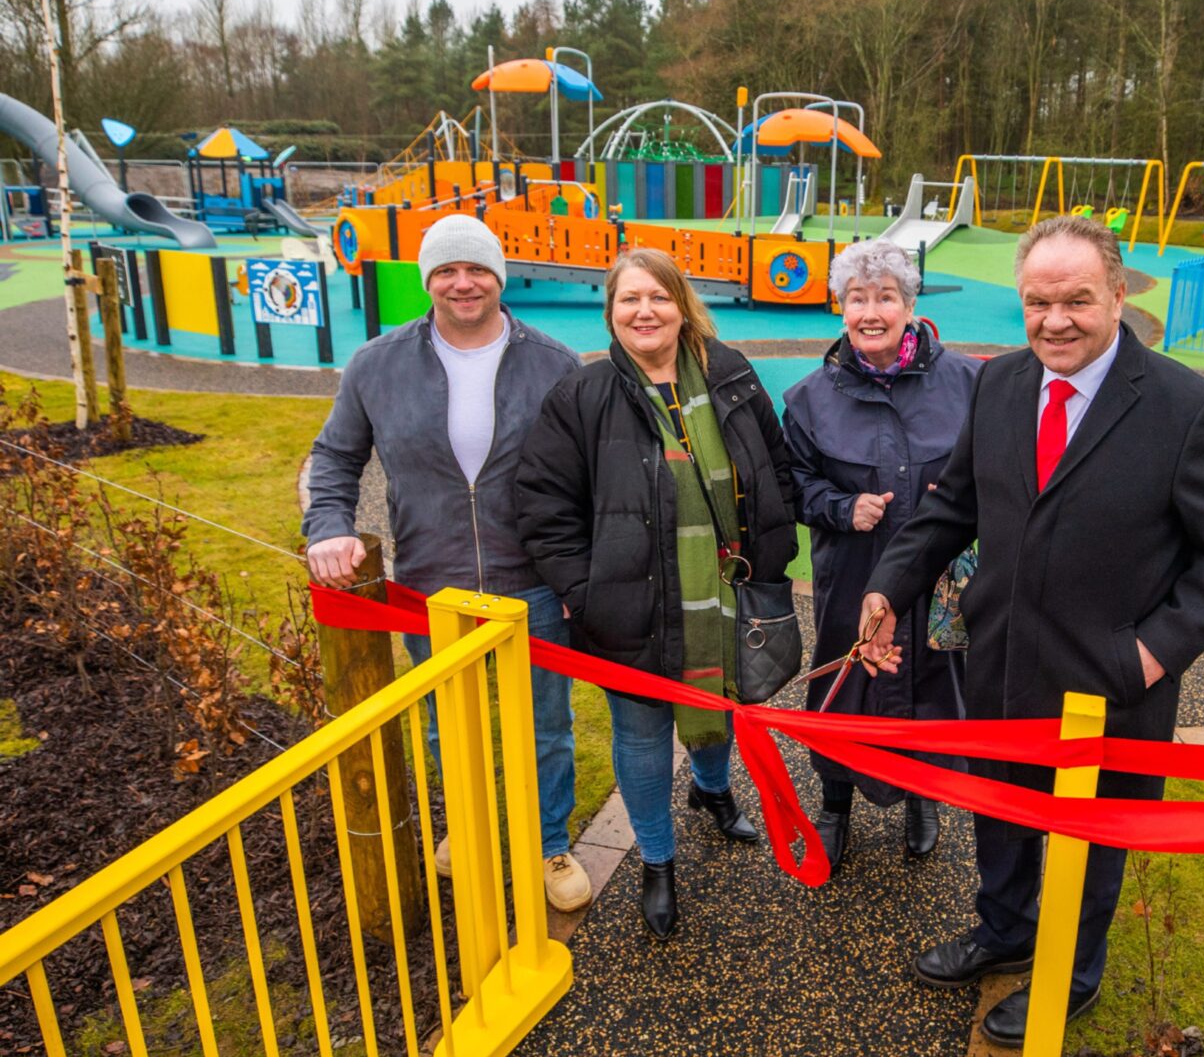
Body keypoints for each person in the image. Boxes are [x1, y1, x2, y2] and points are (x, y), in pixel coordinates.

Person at [858, 215, 1204, 1046]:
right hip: (1001, 666)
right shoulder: (1001, 384)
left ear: (1118, 296)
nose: (1055, 321)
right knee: (1004, 814)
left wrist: (1148, 656)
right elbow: (953, 506)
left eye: (1076, 300)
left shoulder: (1187, 410)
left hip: (1109, 686)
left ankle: (1070, 975)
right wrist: (889, 587)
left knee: (1088, 837)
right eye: (1037, 302)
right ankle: (1005, 930)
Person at [303, 214, 593, 913]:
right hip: (432, 583)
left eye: (477, 269)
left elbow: (586, 476)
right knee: (443, 723)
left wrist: (583, 573)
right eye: (446, 271)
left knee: (546, 726)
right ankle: (464, 829)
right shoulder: (377, 363)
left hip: (533, 582)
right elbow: (335, 457)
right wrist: (328, 525)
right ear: (428, 279)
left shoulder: (553, 362)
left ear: (499, 275)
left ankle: (549, 841)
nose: (463, 283)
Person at [515, 248, 798, 940]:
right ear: (610, 312)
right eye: (628, 300)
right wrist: (583, 589)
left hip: (723, 596)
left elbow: (774, 463)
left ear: (682, 305)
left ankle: (710, 790)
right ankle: (657, 862)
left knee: (720, 704)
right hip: (629, 602)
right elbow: (542, 504)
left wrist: (766, 553)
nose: (644, 311)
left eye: (659, 297)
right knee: (641, 736)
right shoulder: (582, 397)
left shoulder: (728, 374)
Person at [781, 239, 979, 869]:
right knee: (846, 681)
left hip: (939, 574)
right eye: (857, 298)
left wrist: (954, 495)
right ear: (840, 308)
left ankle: (925, 796)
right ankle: (835, 803)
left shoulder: (970, 381)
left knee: (934, 679)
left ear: (909, 305)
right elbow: (795, 483)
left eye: (885, 297)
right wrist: (843, 507)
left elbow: (997, 471)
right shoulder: (809, 398)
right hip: (851, 573)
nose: (871, 311)